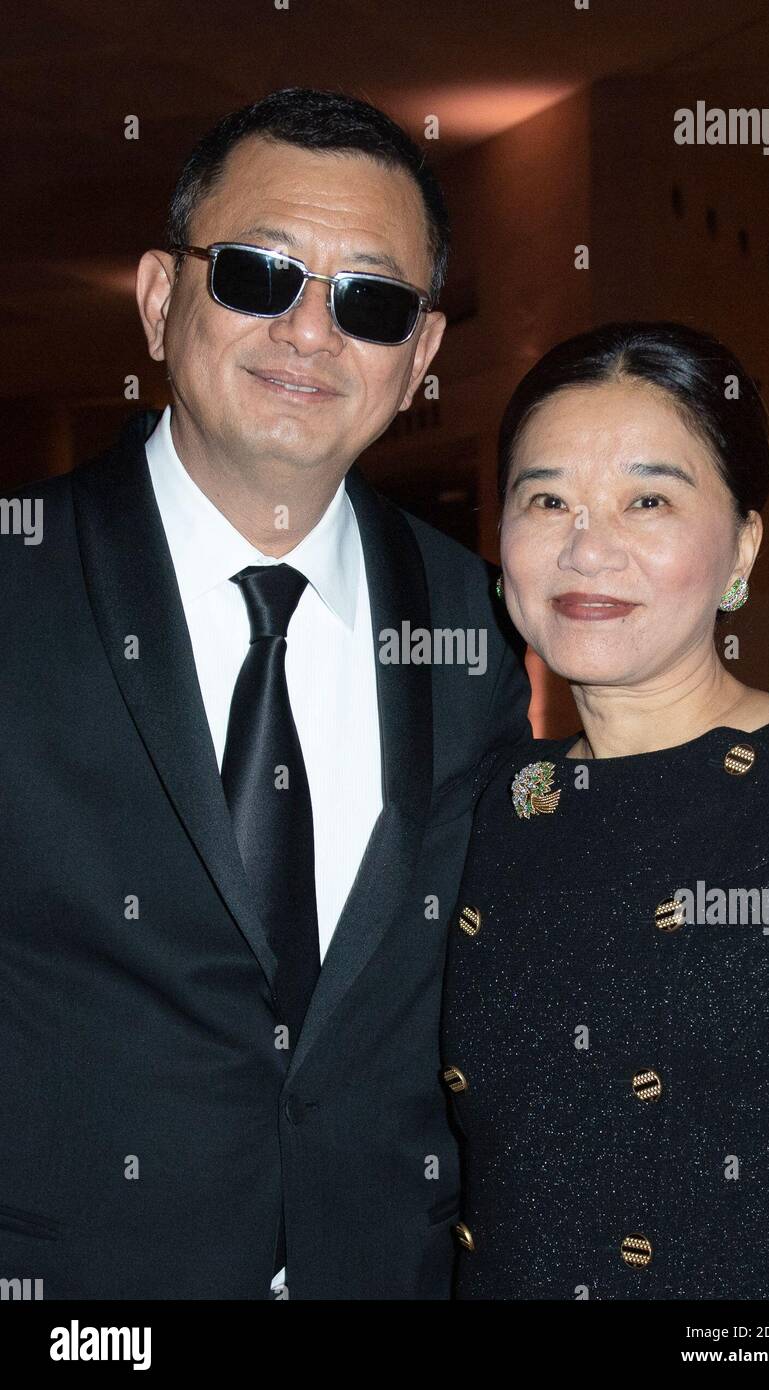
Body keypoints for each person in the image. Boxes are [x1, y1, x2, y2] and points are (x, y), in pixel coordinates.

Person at [0, 88, 531, 1300]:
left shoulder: (477, 623)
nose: (308, 332)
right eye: (256, 273)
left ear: (420, 356)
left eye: (370, 300)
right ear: (156, 298)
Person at [441, 321, 769, 1300]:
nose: (588, 546)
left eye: (647, 499)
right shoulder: (492, 806)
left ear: (740, 547)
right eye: (546, 498)